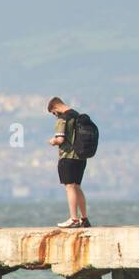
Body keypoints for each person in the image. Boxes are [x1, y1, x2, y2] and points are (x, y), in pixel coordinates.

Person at [48, 97, 90, 228]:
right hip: (81, 157)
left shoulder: (63, 119)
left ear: (55, 108)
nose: (55, 116)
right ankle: (84, 218)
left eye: (53, 113)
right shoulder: (77, 116)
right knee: (77, 186)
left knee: (69, 187)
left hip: (68, 157)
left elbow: (60, 139)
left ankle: (73, 219)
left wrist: (52, 141)